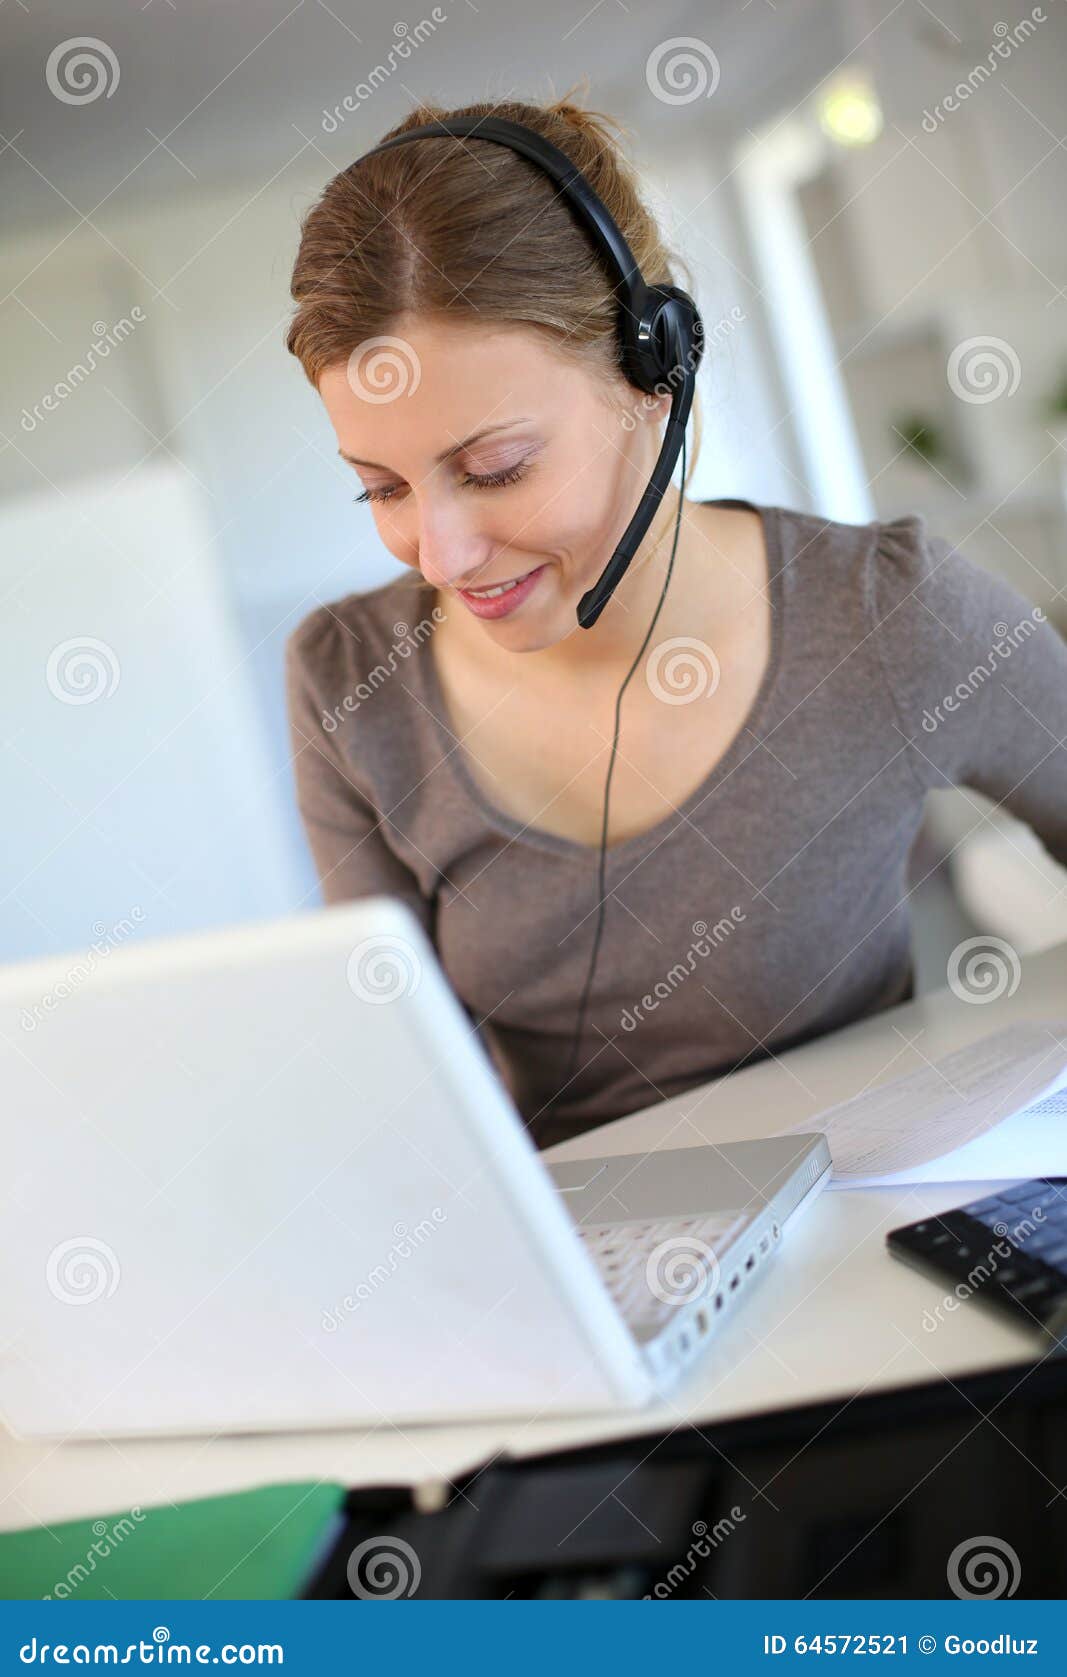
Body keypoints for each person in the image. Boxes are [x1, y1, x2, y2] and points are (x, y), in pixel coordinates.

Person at [283, 94, 1067, 1151]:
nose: (439, 555)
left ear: (656, 374)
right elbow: (416, 1093)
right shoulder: (348, 679)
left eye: (495, 469)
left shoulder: (887, 612)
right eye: (380, 488)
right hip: (581, 1245)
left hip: (884, 1215)